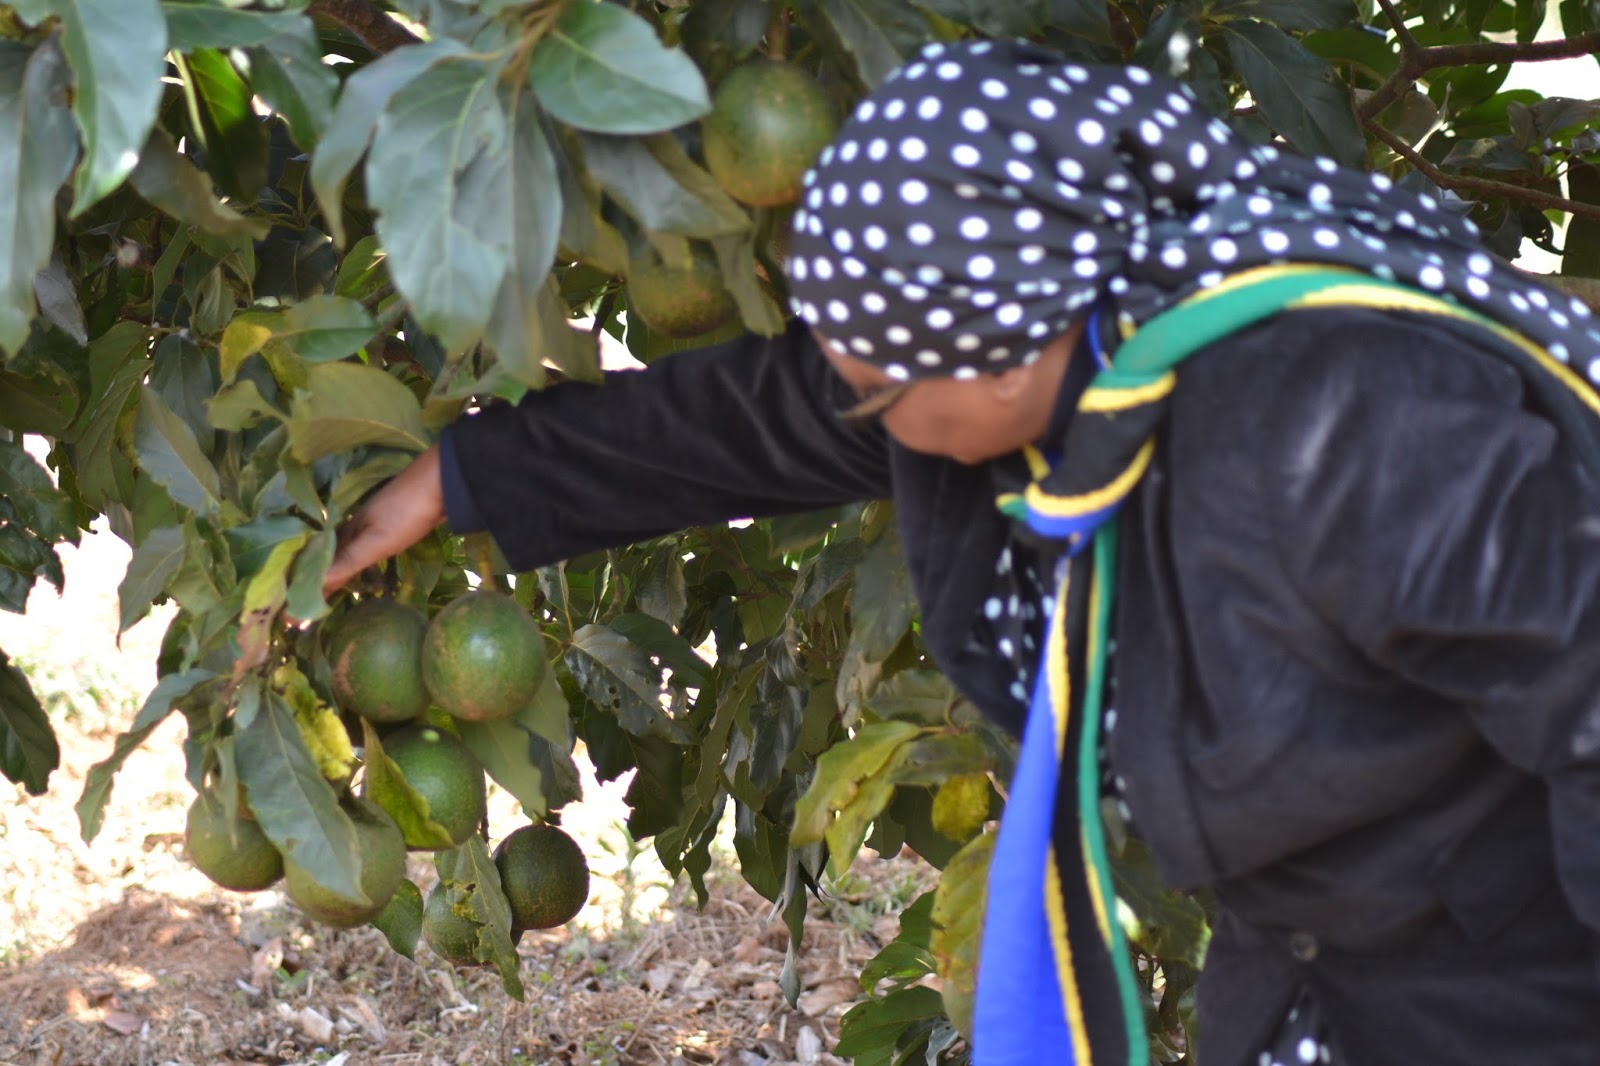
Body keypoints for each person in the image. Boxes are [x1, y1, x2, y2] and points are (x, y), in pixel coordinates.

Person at [324, 38, 1600, 1066]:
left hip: (1510, 989)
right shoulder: (1051, 372)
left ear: (991, 339)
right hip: (1309, 975)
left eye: (877, 388)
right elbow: (755, 420)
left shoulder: (1347, 427)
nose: (867, 417)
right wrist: (472, 474)